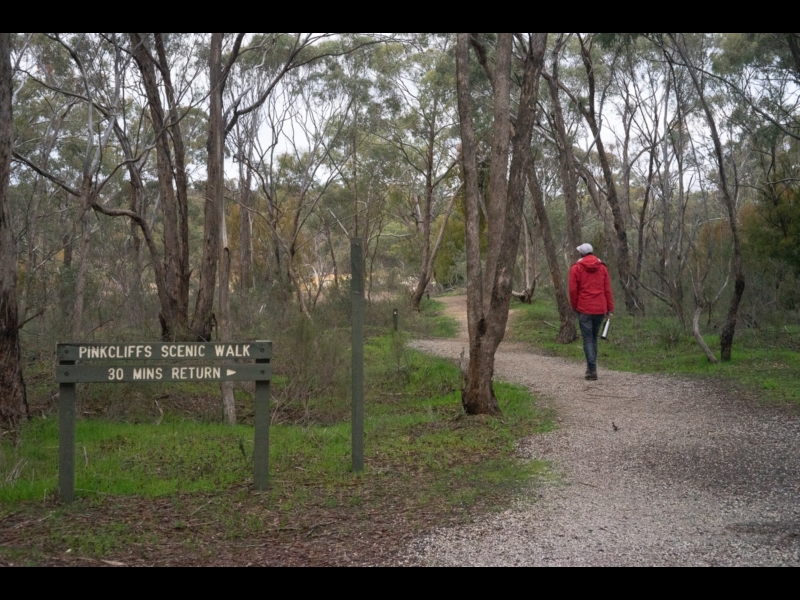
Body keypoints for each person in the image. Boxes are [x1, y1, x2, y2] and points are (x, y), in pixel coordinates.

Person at [569, 243, 614, 381]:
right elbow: (607, 289)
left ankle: (592, 369)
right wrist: (610, 307)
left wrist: (575, 306)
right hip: (600, 308)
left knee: (588, 338)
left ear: (581, 254)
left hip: (584, 308)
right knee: (594, 337)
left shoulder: (576, 268)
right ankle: (591, 368)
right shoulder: (602, 268)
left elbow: (572, 290)